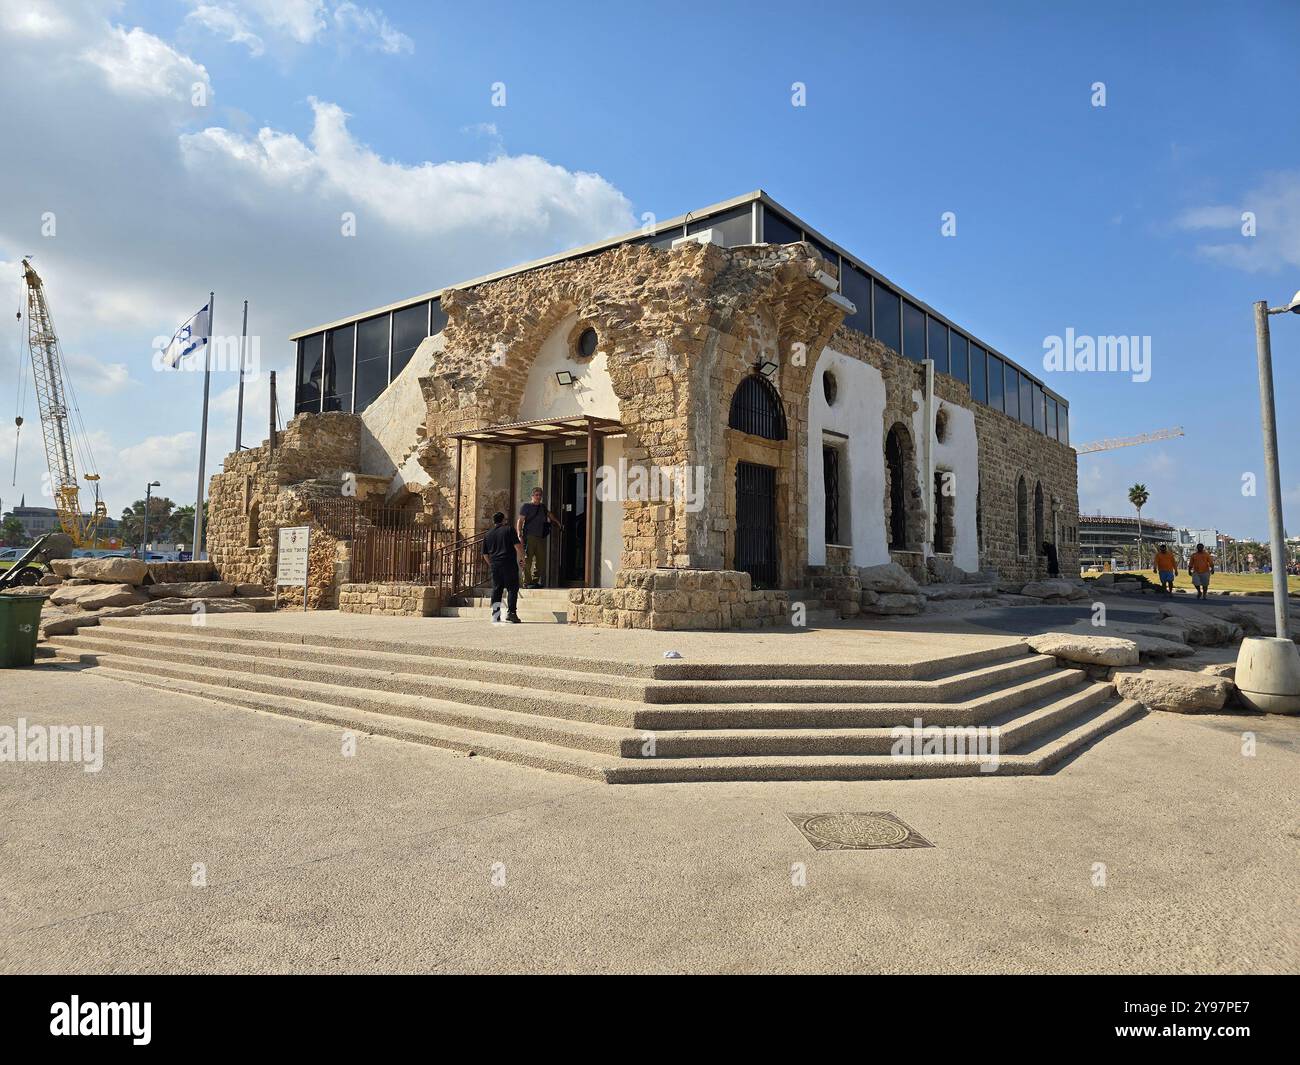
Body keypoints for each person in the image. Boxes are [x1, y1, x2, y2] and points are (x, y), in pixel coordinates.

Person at [481, 511, 523, 623]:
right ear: (503, 520)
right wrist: (522, 559)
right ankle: (511, 613)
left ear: (494, 521)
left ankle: (495, 614)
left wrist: (491, 564)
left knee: (497, 589)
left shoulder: (488, 534)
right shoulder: (509, 529)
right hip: (508, 562)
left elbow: (485, 554)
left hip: (495, 564)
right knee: (512, 588)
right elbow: (517, 546)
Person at [516, 486, 561, 589]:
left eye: (540, 495)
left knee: (540, 561)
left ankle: (534, 581)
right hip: (529, 536)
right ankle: (527, 582)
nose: (538, 497)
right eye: (536, 495)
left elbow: (550, 515)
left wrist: (558, 523)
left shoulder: (542, 507)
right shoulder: (526, 506)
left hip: (540, 537)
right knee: (528, 559)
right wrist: (519, 534)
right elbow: (520, 520)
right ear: (532, 496)